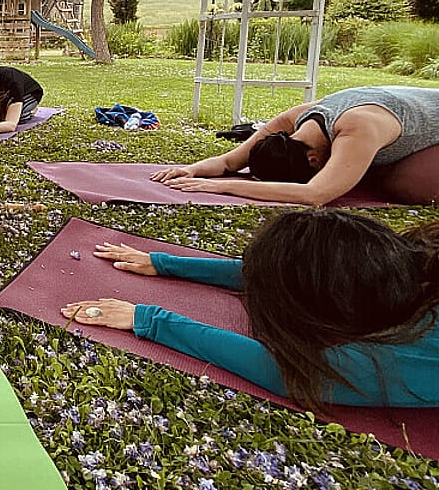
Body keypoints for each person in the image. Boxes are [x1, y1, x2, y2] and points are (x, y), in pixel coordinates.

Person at [61, 209, 439, 408]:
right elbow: (312, 271)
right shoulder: (409, 259)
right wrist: (164, 263)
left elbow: (299, 373)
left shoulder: (425, 352)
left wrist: (149, 320)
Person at [151, 86, 439, 205]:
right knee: (364, 175)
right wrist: (191, 170)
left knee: (403, 187)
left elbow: (314, 194)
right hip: (404, 120)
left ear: (314, 161)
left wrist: (222, 186)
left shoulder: (357, 128)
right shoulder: (293, 121)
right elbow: (229, 161)